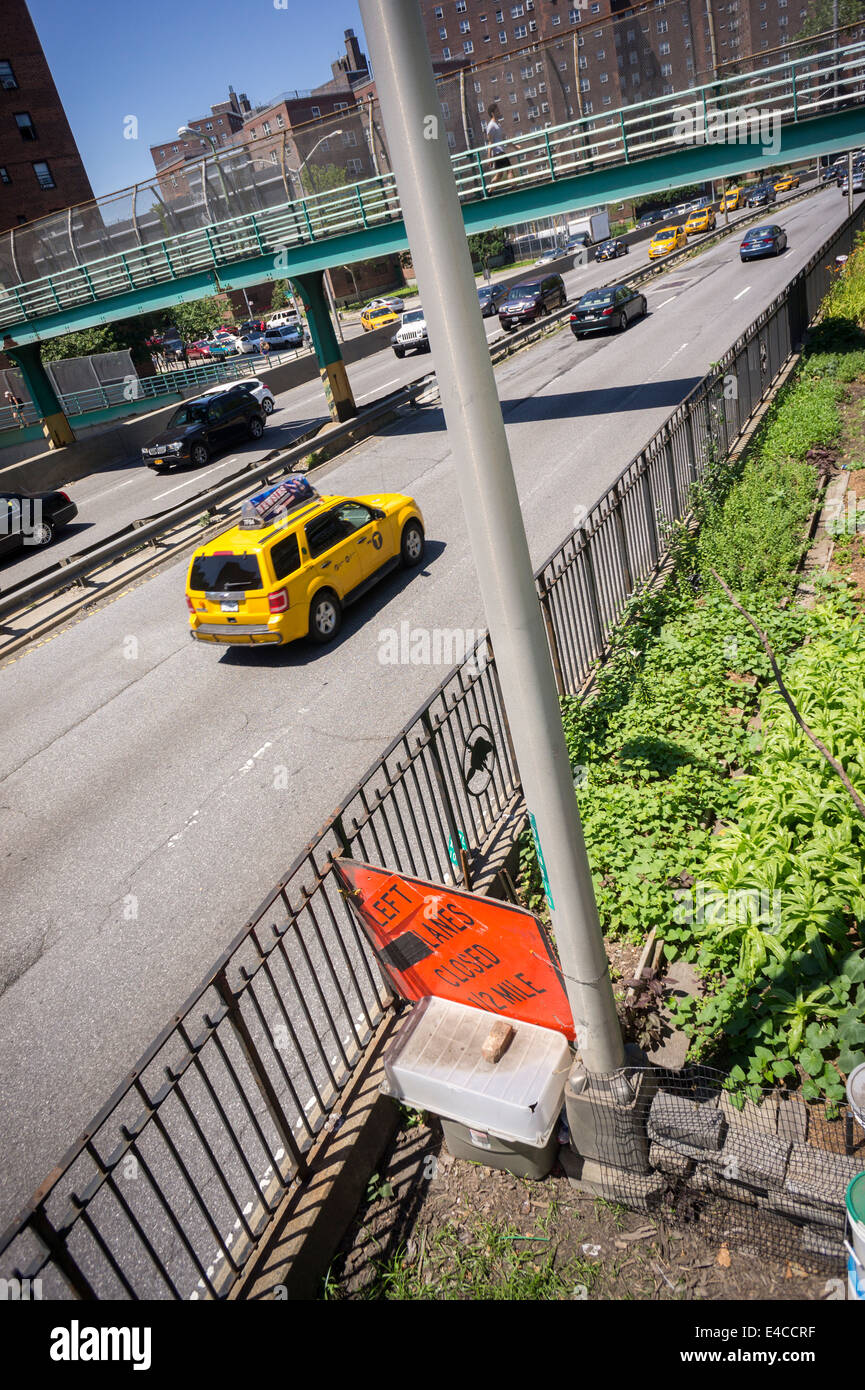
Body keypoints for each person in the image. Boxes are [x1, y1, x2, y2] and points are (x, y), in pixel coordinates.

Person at [485, 104, 514, 189]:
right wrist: (489, 158)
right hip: (498, 153)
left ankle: (489, 192)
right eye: (497, 111)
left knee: (499, 175)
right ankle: (515, 187)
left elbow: (504, 139)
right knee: (510, 170)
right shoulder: (491, 126)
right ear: (493, 113)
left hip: (500, 152)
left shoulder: (497, 124)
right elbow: (490, 142)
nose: (499, 112)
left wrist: (515, 146)